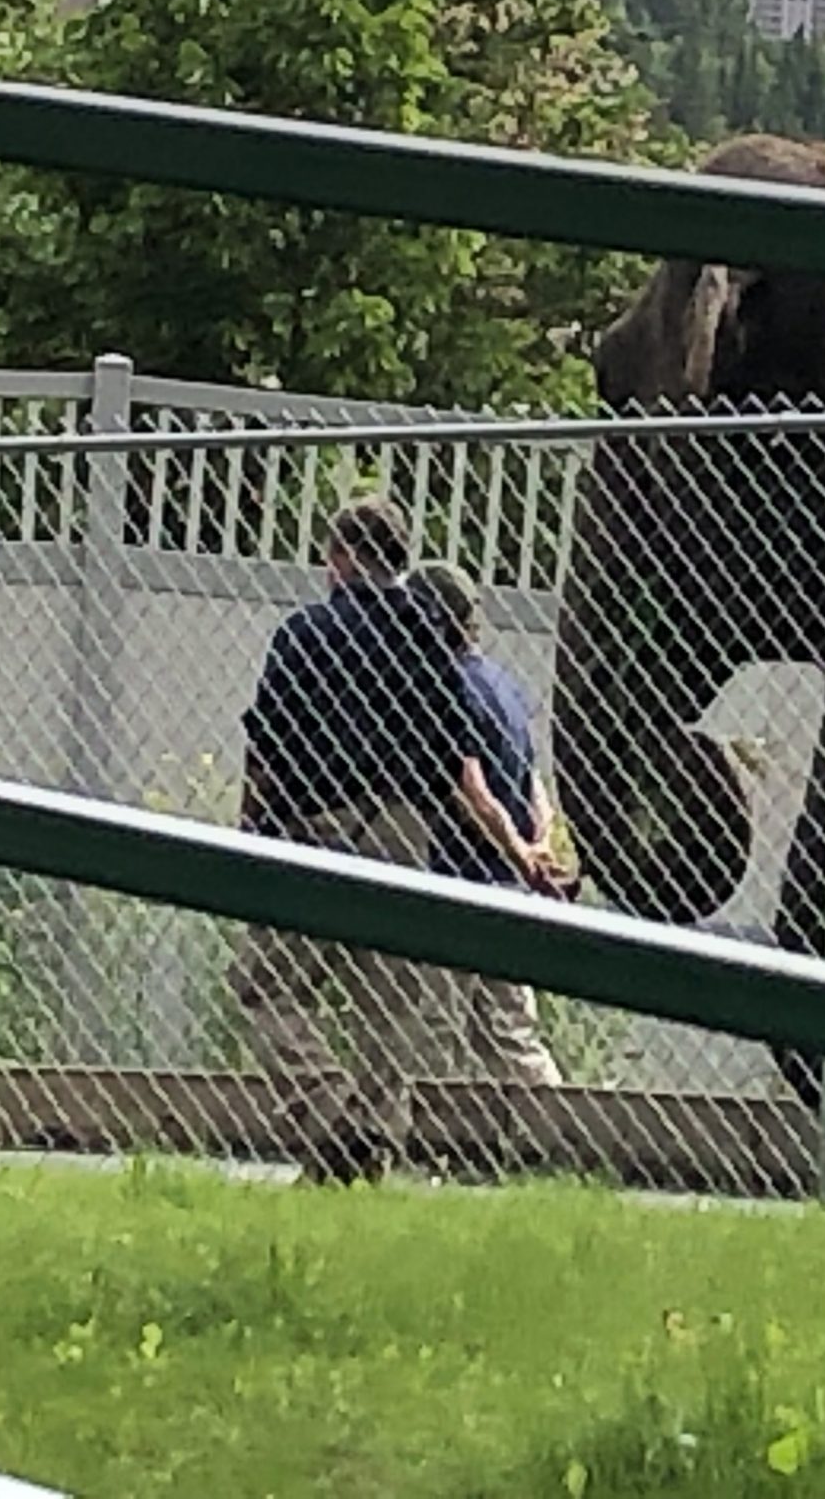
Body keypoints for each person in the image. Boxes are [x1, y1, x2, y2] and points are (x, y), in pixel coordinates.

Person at [227, 495, 549, 1185]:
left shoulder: (305, 632)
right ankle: (373, 1142)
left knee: (265, 983)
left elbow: (266, 750)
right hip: (406, 831)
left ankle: (327, 1112)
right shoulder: (430, 642)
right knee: (390, 1007)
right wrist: (519, 847)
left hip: (313, 827)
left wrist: (248, 829)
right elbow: (462, 766)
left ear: (342, 556)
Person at [408, 559, 568, 1093]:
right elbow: (532, 782)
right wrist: (537, 844)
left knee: (434, 1028)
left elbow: (471, 791)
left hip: (454, 877)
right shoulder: (503, 685)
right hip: (507, 882)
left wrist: (520, 848)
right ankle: (559, 1131)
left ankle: (432, 1147)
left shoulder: (441, 688)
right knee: (512, 1032)